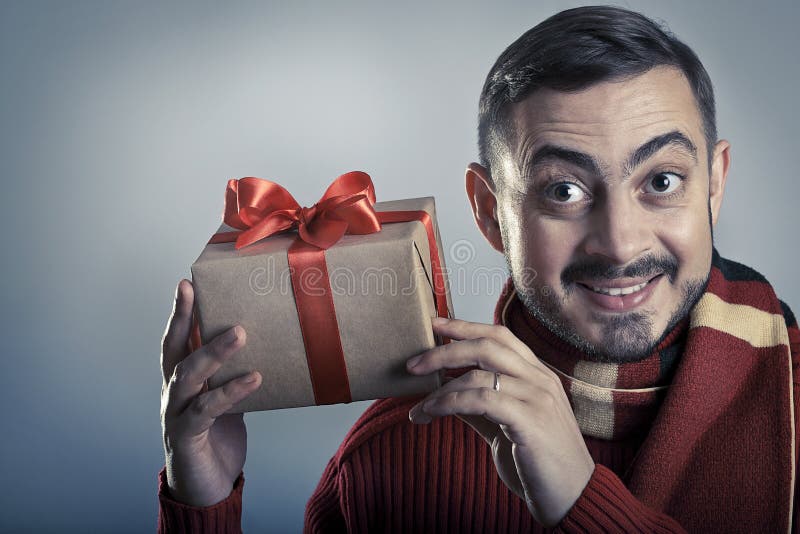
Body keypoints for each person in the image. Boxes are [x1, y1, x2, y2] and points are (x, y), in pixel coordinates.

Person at [157, 5, 800, 532]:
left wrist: (582, 503)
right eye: (564, 191)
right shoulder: (391, 454)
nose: (620, 243)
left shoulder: (791, 396)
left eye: (661, 180)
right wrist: (204, 503)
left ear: (713, 185)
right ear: (491, 214)